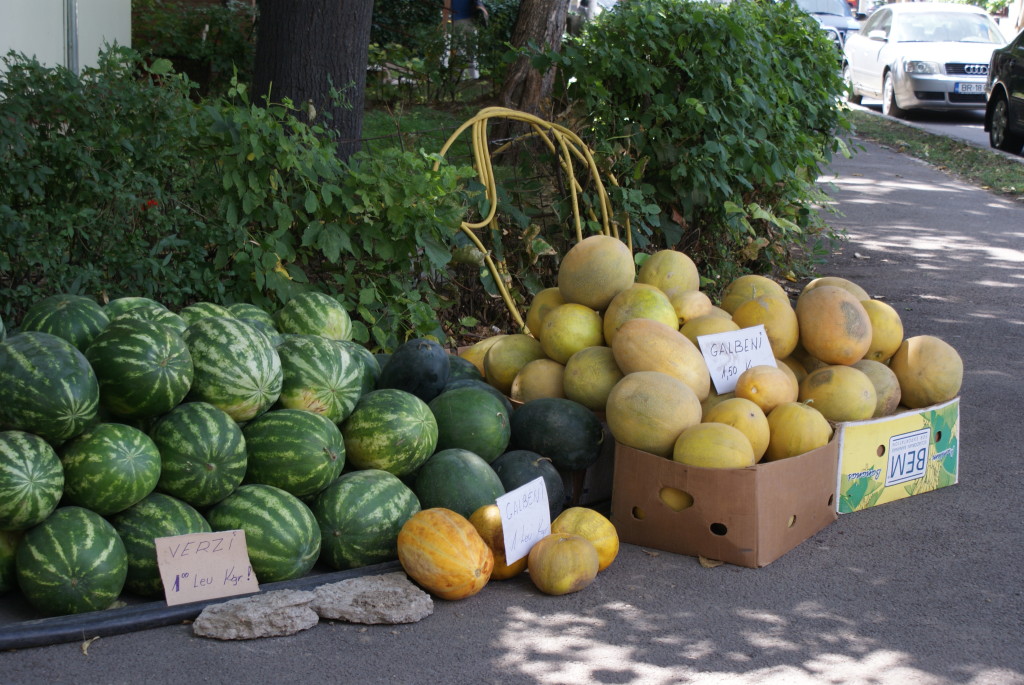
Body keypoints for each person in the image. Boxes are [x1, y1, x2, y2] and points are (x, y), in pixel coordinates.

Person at [442, 0, 483, 80]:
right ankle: (473, 75)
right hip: (472, 20)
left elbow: (447, 8)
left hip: (458, 21)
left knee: (458, 50)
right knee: (472, 50)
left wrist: (444, 25)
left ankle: (458, 77)